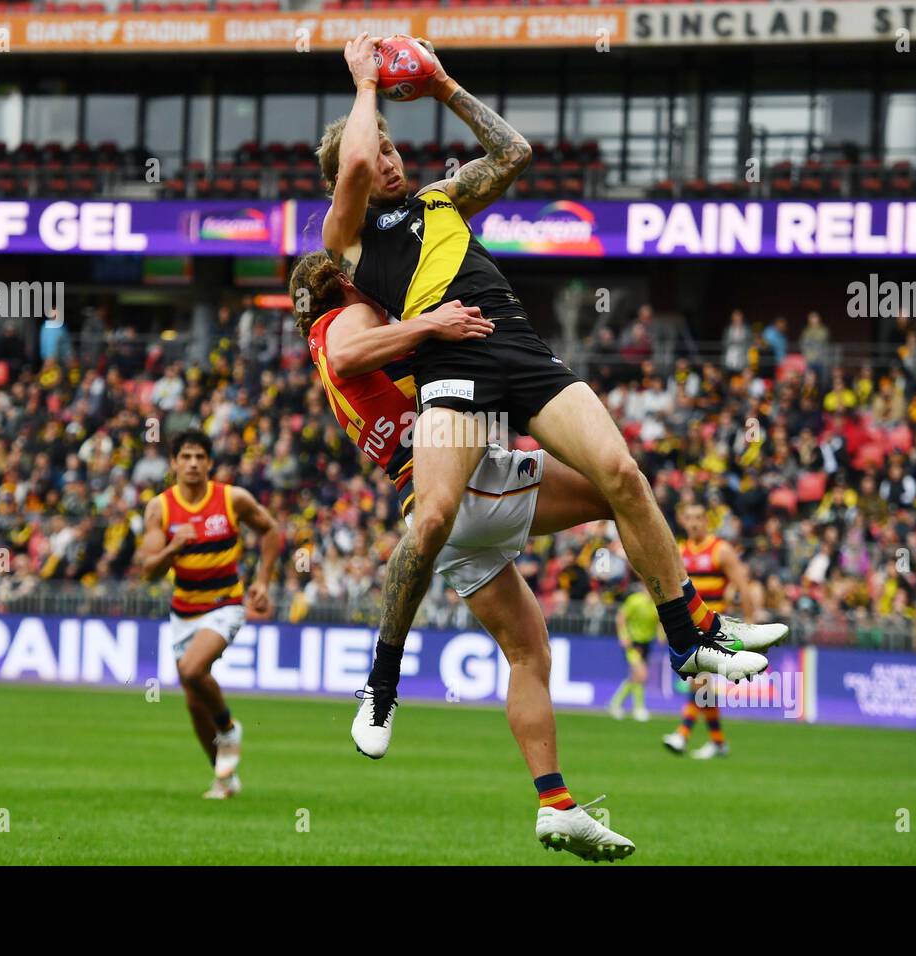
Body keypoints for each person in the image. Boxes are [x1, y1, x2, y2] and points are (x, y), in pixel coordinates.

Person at [317, 33, 774, 748]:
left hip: (520, 348)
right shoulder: (346, 234)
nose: (389, 158)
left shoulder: (440, 200)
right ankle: (381, 684)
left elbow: (514, 154)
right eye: (376, 152)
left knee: (621, 473)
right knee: (432, 519)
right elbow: (350, 160)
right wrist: (366, 81)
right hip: (451, 362)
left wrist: (442, 87)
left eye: (392, 147)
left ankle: (689, 637)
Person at [289, 252, 641, 860]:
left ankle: (554, 802)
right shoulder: (345, 322)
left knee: (528, 651)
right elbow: (354, 353)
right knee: (623, 488)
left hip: (441, 514)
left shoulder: (324, 340)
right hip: (461, 484)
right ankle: (690, 626)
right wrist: (434, 323)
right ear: (344, 284)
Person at [138, 430, 282, 799]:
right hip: (184, 610)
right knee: (192, 701)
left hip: (225, 604)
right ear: (173, 463)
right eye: (185, 456)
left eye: (200, 457)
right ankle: (224, 776)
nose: (193, 464)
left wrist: (263, 582)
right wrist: (175, 546)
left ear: (210, 463)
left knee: (191, 670)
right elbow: (148, 570)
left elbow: (270, 531)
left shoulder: (232, 499)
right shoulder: (160, 508)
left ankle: (229, 729)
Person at [663, 502, 768, 760]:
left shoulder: (720, 550)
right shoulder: (679, 551)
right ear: (683, 521)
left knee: (700, 680)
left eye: (699, 517)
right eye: (689, 517)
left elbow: (742, 586)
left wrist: (750, 624)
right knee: (702, 684)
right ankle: (718, 742)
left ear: (707, 521)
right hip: (688, 627)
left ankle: (682, 734)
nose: (694, 522)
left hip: (713, 627)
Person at [607, 582, 664, 722]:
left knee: (635, 677)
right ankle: (638, 708)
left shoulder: (657, 604)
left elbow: (659, 621)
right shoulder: (635, 600)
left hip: (646, 644)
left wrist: (661, 635)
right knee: (641, 674)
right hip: (633, 642)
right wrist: (623, 635)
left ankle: (615, 704)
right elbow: (621, 618)